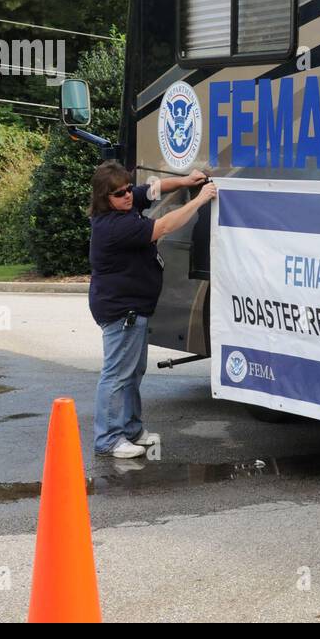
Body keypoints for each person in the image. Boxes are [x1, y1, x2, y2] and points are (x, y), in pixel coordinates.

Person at [87, 161, 216, 458]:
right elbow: (166, 225)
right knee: (118, 374)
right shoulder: (116, 226)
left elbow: (154, 189)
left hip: (132, 309)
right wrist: (200, 198)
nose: (129, 195)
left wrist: (186, 181)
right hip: (123, 312)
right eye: (120, 193)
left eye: (128, 189)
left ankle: (130, 429)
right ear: (105, 199)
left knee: (133, 371)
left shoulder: (124, 206)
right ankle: (108, 438)